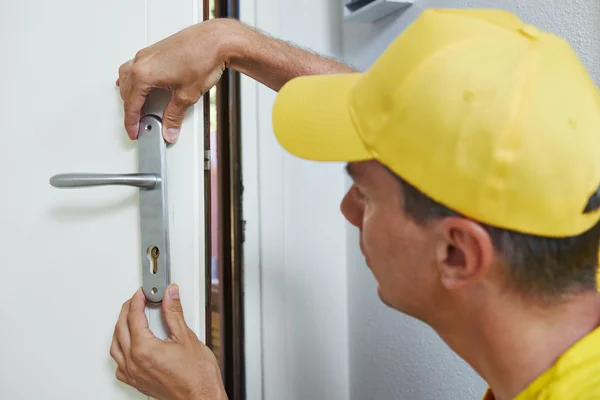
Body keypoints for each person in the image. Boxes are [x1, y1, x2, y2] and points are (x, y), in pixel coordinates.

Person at [110, 8, 600, 400]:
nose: (348, 209)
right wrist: (229, 41)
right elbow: (415, 124)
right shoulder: (567, 231)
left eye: (364, 193)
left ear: (458, 253)